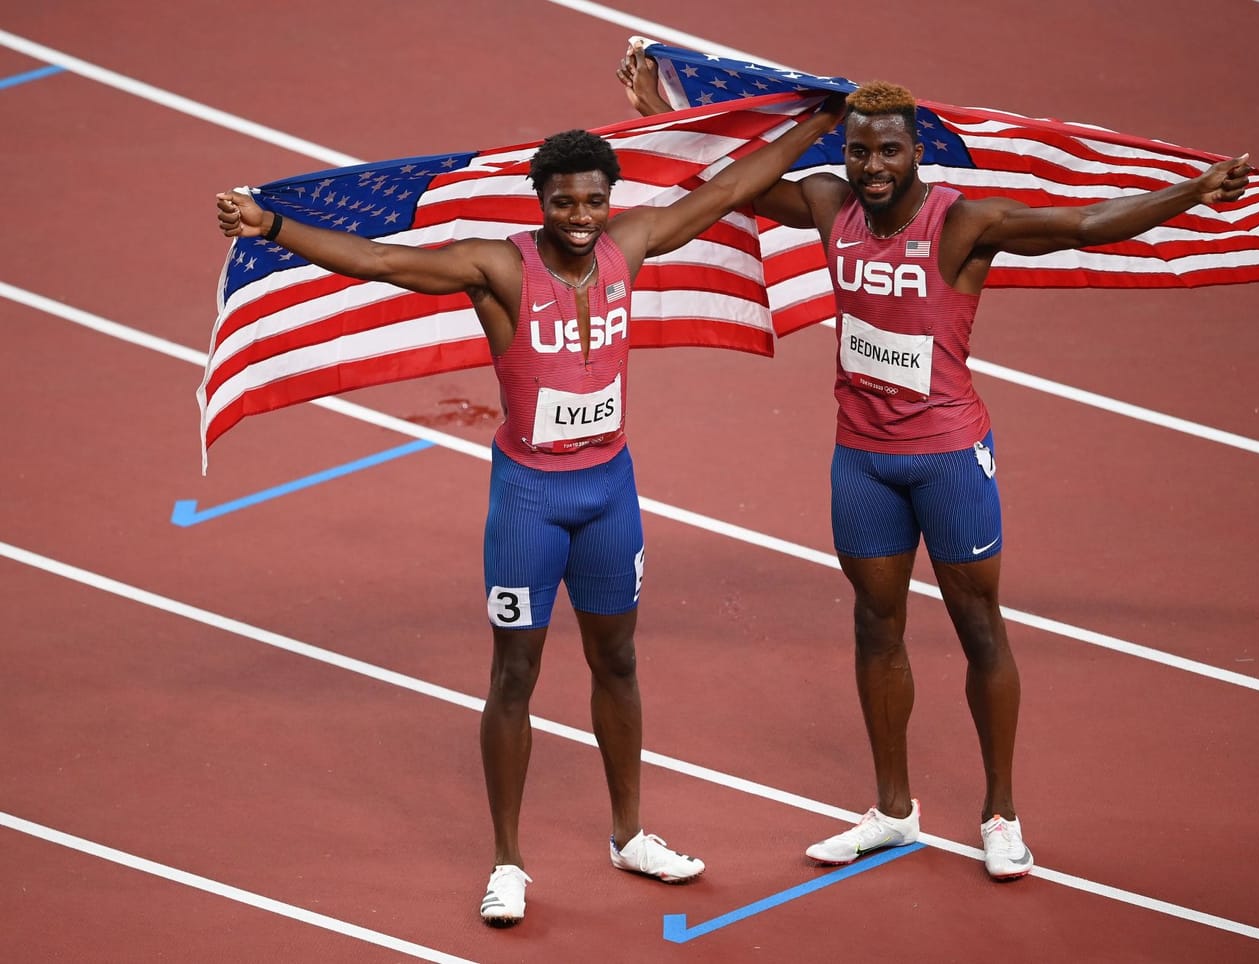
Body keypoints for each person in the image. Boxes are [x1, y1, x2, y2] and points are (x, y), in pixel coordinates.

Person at [618, 48, 1250, 881]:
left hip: (949, 458)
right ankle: (891, 810)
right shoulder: (828, 203)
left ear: (917, 151)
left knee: (978, 627)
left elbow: (1084, 227)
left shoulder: (963, 223)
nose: (872, 168)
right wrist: (656, 111)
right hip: (863, 461)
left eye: (887, 151)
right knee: (875, 625)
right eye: (858, 151)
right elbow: (731, 184)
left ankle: (1001, 813)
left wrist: (1193, 193)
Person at [216, 101, 844, 925]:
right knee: (515, 676)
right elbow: (378, 262)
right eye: (562, 203)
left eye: (591, 202)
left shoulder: (633, 242)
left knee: (617, 663)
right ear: (538, 200)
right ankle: (508, 862)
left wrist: (815, 127)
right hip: (530, 501)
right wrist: (270, 225)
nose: (579, 219)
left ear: (608, 199)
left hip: (610, 492)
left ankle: (630, 835)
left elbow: (728, 191)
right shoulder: (499, 268)